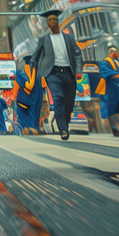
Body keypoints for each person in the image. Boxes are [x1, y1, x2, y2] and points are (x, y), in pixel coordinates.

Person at [31, 9, 81, 140]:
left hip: (69, 73)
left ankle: (65, 122)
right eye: (49, 20)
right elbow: (35, 56)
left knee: (69, 102)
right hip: (52, 73)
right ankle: (63, 130)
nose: (52, 22)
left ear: (58, 21)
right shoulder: (44, 39)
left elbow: (77, 54)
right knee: (58, 99)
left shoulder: (69, 38)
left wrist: (79, 71)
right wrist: (33, 68)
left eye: (54, 19)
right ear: (47, 24)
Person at [95, 46, 119, 136]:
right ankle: (114, 127)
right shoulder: (105, 63)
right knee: (111, 108)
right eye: (112, 51)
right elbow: (104, 71)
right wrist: (116, 75)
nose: (114, 52)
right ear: (109, 54)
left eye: (116, 51)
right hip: (111, 88)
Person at [14, 55, 44, 135]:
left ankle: (30, 130)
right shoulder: (37, 74)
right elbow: (33, 86)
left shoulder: (20, 72)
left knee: (26, 124)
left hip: (25, 102)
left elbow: (29, 86)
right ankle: (32, 130)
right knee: (31, 123)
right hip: (32, 102)